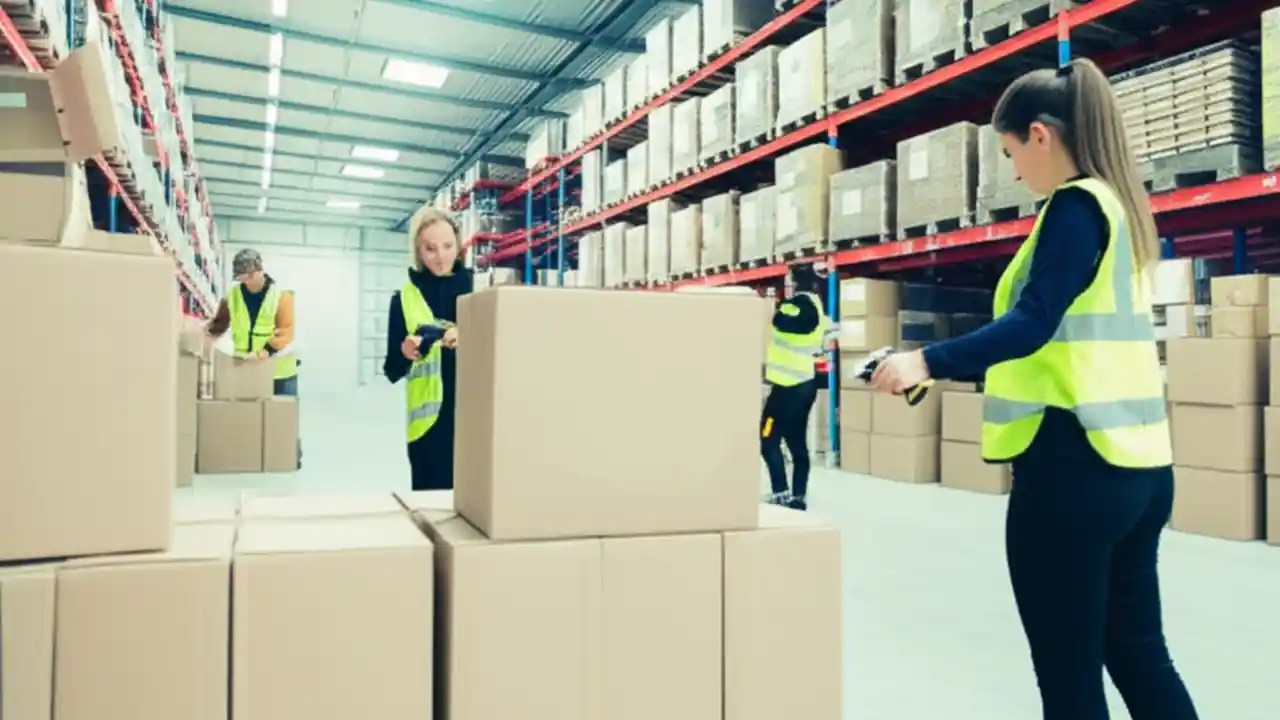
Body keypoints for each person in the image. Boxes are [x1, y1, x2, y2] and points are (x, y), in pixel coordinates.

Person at [869, 59, 1198, 719]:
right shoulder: (1122, 207)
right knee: (1138, 652)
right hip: (1139, 470)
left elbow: (1032, 321)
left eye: (1011, 151)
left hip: (1073, 472)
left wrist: (926, 361)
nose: (1014, 170)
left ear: (1041, 136)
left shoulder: (1074, 209)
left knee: (1069, 677)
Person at [383, 208, 473, 491]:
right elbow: (392, 369)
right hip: (428, 430)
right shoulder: (404, 298)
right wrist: (405, 351)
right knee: (433, 509)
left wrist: (469, 334)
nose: (441, 256)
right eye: (430, 249)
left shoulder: (479, 286)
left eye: (448, 246)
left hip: (475, 417)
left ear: (459, 244)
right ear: (418, 251)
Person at [761, 261, 833, 511]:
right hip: (803, 386)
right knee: (796, 441)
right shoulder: (818, 308)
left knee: (767, 439)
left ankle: (781, 492)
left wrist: (779, 310)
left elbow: (782, 321)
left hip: (786, 388)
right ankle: (798, 496)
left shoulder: (799, 305)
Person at [207, 248, 299, 397]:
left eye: (250, 275)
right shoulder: (233, 296)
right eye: (242, 276)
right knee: (250, 417)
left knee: (280, 417)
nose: (247, 280)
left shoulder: (281, 296)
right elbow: (218, 325)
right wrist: (203, 334)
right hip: (247, 368)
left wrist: (264, 353)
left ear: (260, 270)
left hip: (279, 372)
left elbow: (286, 331)